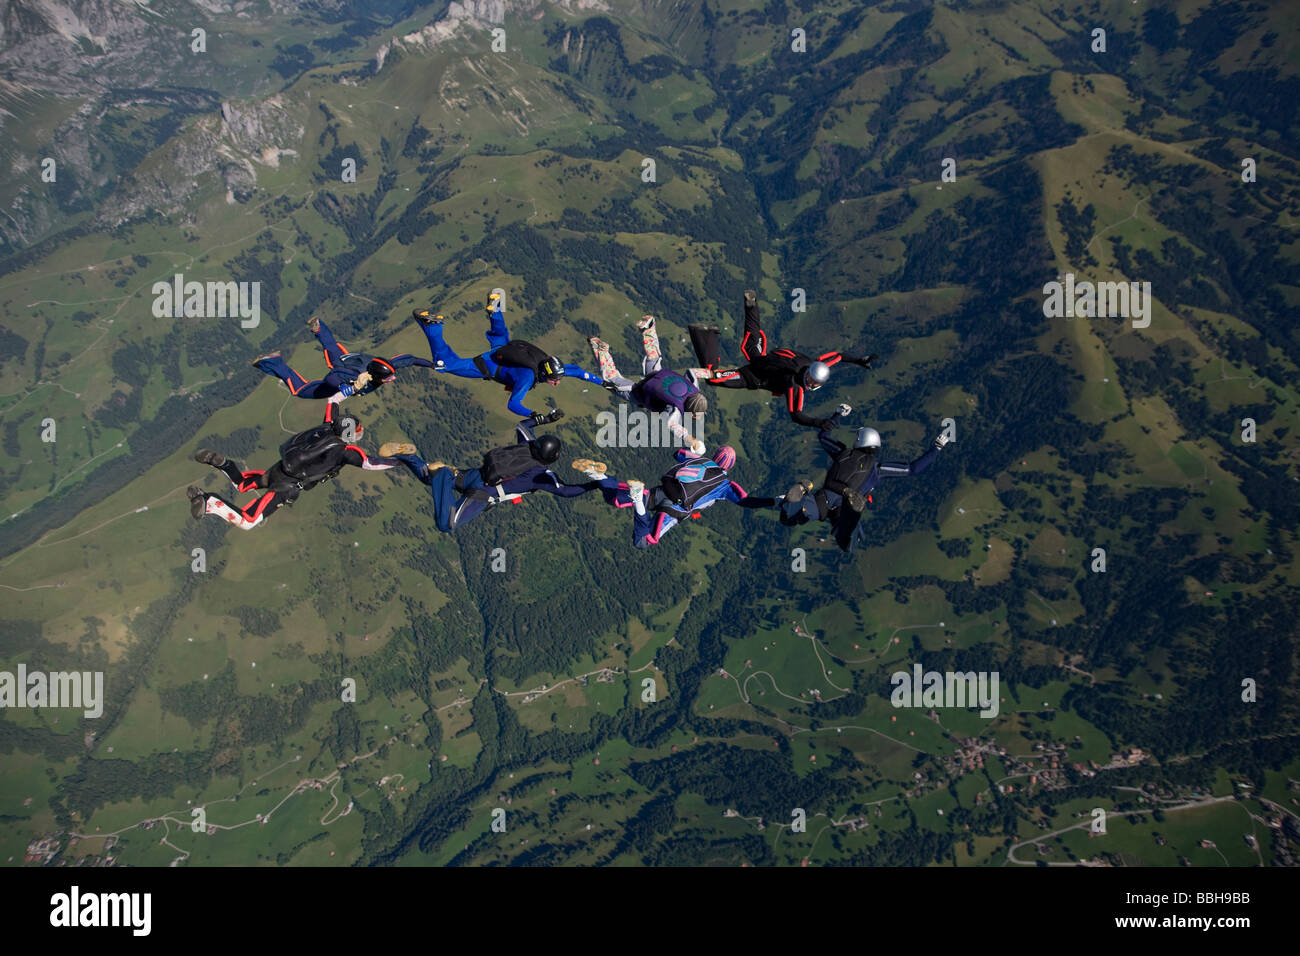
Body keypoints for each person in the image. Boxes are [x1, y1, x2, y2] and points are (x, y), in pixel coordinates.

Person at [378, 411, 614, 532]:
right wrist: (595, 484)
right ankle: (441, 474)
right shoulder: (540, 475)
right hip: (481, 493)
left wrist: (545, 419)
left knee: (427, 479)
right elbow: (566, 491)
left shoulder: (527, 444)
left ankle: (409, 455)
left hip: (474, 474)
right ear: (553, 458)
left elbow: (523, 425)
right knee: (446, 524)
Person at [687, 290, 878, 430]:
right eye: (812, 380)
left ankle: (752, 305)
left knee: (753, 335)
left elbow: (839, 356)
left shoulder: (816, 363)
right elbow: (796, 415)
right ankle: (704, 335)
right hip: (753, 376)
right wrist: (819, 422)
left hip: (764, 358)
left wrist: (859, 360)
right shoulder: (795, 385)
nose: (811, 383)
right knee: (713, 377)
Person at [186, 405, 396, 530]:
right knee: (247, 521)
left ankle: (223, 464)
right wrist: (400, 461)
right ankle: (208, 501)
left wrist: (346, 388)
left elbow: (333, 401)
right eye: (358, 430)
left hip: (278, 471)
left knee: (242, 485)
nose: (359, 432)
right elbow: (370, 464)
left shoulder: (327, 427)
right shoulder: (346, 451)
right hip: (285, 487)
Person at [780, 410, 950, 552]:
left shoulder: (842, 452)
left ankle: (800, 494)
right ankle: (850, 521)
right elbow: (913, 469)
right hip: (846, 508)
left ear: (859, 441)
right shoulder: (877, 469)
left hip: (824, 498)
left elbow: (823, 435)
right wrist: (936, 448)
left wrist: (837, 415)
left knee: (790, 517)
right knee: (849, 542)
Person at [413, 292, 602, 418]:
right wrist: (533, 415)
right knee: (443, 364)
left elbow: (576, 371)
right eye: (554, 380)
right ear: (545, 374)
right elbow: (513, 405)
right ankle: (433, 328)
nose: (557, 382)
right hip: (485, 365)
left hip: (503, 352)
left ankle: (495, 309)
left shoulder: (549, 366)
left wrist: (603, 383)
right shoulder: (527, 378)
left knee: (500, 337)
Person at [590, 445, 775, 549]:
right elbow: (746, 501)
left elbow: (677, 453)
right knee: (642, 542)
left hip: (664, 490)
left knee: (614, 499)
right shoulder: (726, 486)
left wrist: (695, 447)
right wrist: (773, 500)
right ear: (730, 467)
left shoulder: (699, 460)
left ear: (715, 455)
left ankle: (601, 477)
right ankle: (639, 500)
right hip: (675, 510)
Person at [588, 314, 708, 454]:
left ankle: (649, 328)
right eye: (698, 414)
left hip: (656, 374)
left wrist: (713, 374)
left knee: (654, 356)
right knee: (612, 379)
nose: (699, 417)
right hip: (640, 393)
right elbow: (671, 425)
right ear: (691, 411)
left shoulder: (694, 389)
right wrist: (691, 440)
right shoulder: (676, 409)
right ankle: (600, 349)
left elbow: (693, 372)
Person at [253, 315, 437, 403]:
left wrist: (431, 364)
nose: (393, 379)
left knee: (332, 349)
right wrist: (350, 388)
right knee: (300, 390)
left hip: (350, 360)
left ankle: (318, 328)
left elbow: (410, 359)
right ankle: (273, 361)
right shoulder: (350, 376)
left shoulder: (385, 365)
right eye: (388, 378)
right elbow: (332, 378)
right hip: (344, 370)